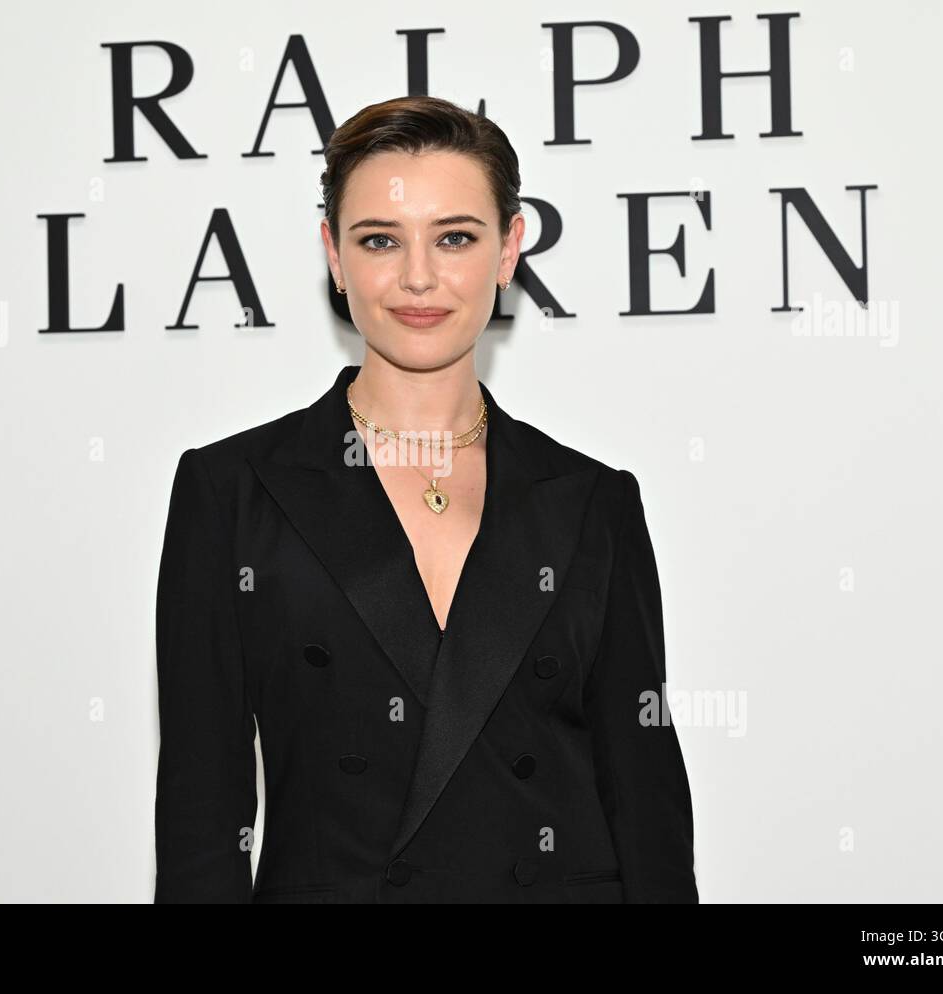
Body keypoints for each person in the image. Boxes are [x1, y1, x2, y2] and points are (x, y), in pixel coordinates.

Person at [154, 95, 698, 903]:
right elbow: (204, 817)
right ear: (334, 256)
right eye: (380, 240)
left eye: (455, 238)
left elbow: (647, 807)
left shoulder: (592, 503)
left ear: (509, 249)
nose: (418, 277)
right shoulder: (233, 495)